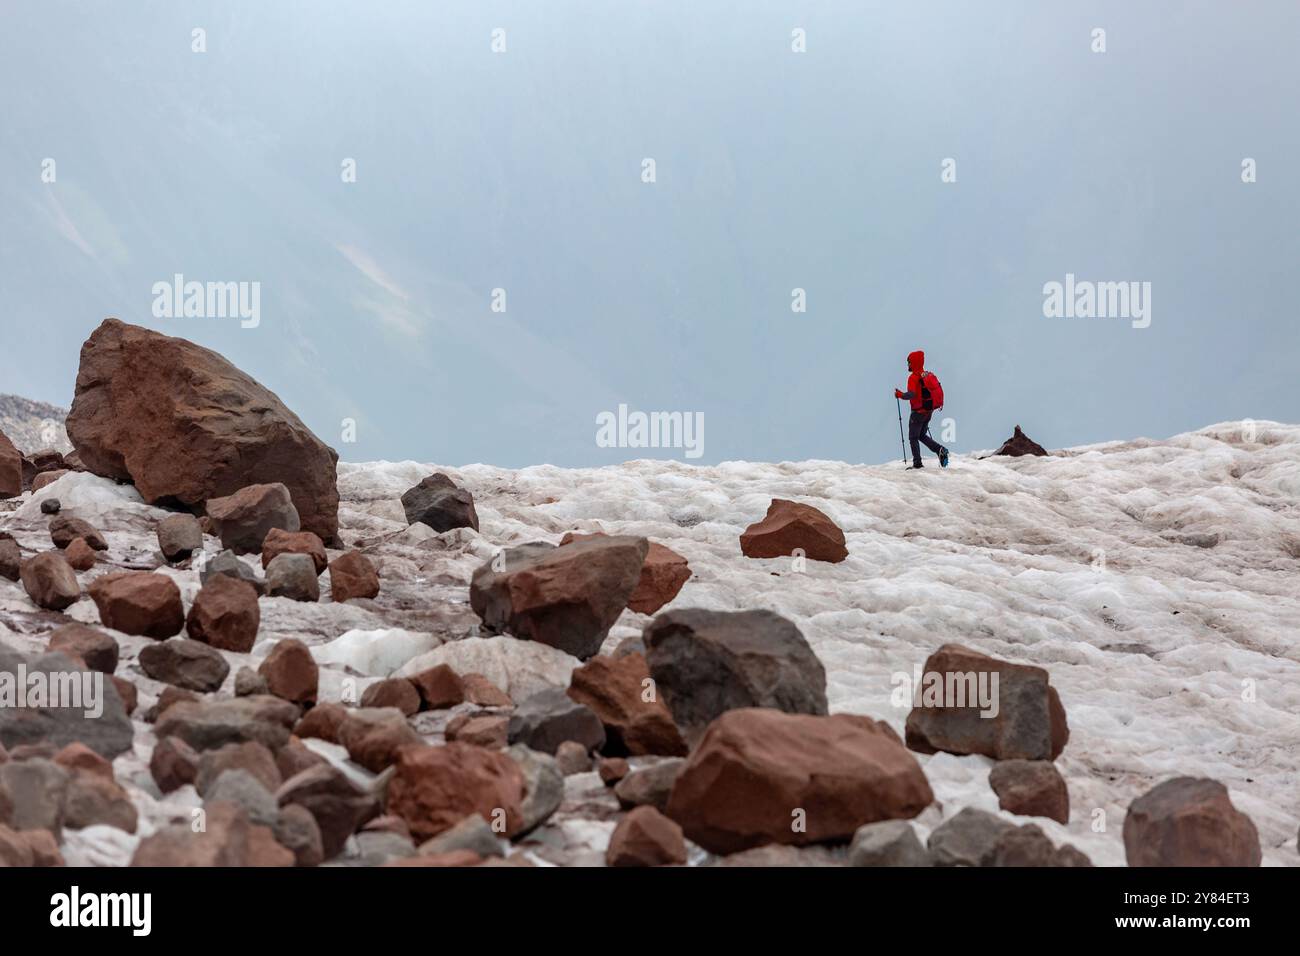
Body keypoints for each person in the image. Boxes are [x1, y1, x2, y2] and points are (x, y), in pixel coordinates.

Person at [895, 350, 949, 469]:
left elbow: (911, 394)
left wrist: (900, 394)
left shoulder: (913, 377)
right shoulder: (926, 375)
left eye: (909, 362)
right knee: (921, 435)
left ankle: (917, 464)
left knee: (913, 437)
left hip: (917, 413)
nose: (908, 365)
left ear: (913, 363)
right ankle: (940, 449)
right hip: (928, 411)